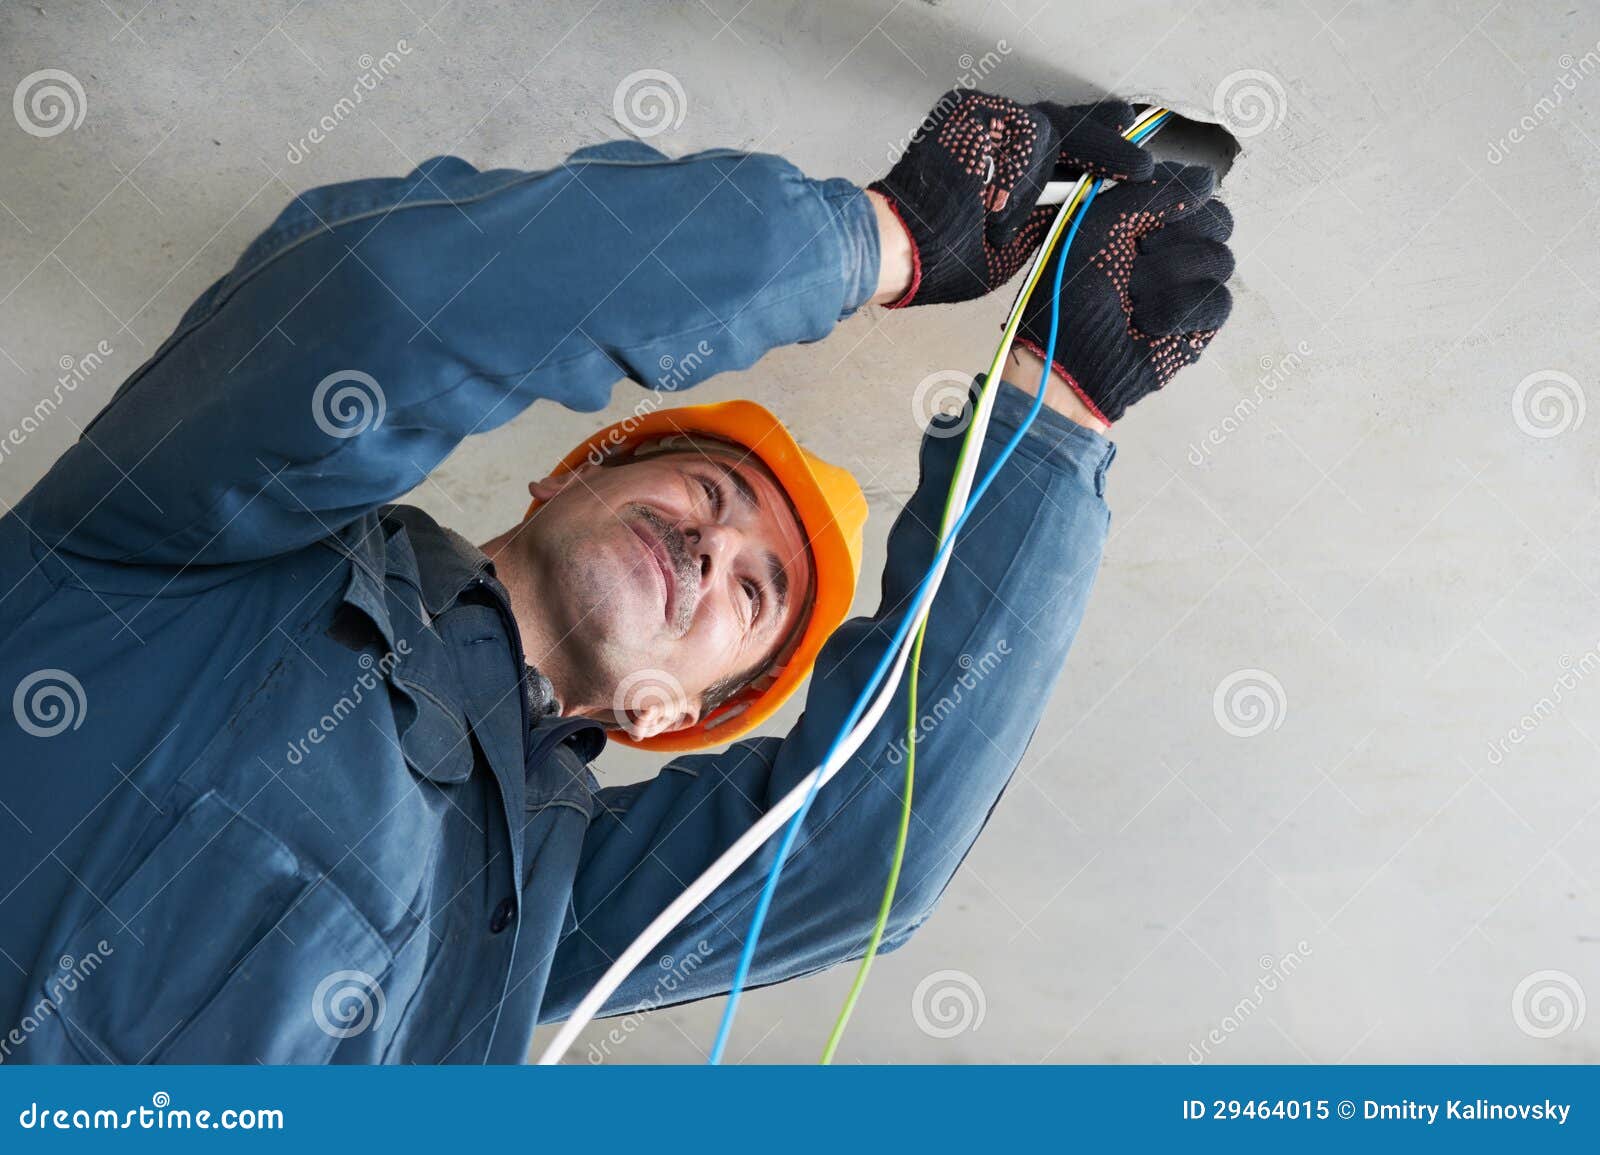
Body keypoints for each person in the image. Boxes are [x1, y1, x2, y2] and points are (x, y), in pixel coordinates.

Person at [0, 91, 1233, 1063]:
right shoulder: (195, 553)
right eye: (705, 491)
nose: (711, 549)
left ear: (669, 716)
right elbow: (369, 309)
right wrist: (886, 236)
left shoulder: (542, 913)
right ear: (557, 482)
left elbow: (867, 854)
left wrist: (1053, 414)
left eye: (755, 594)